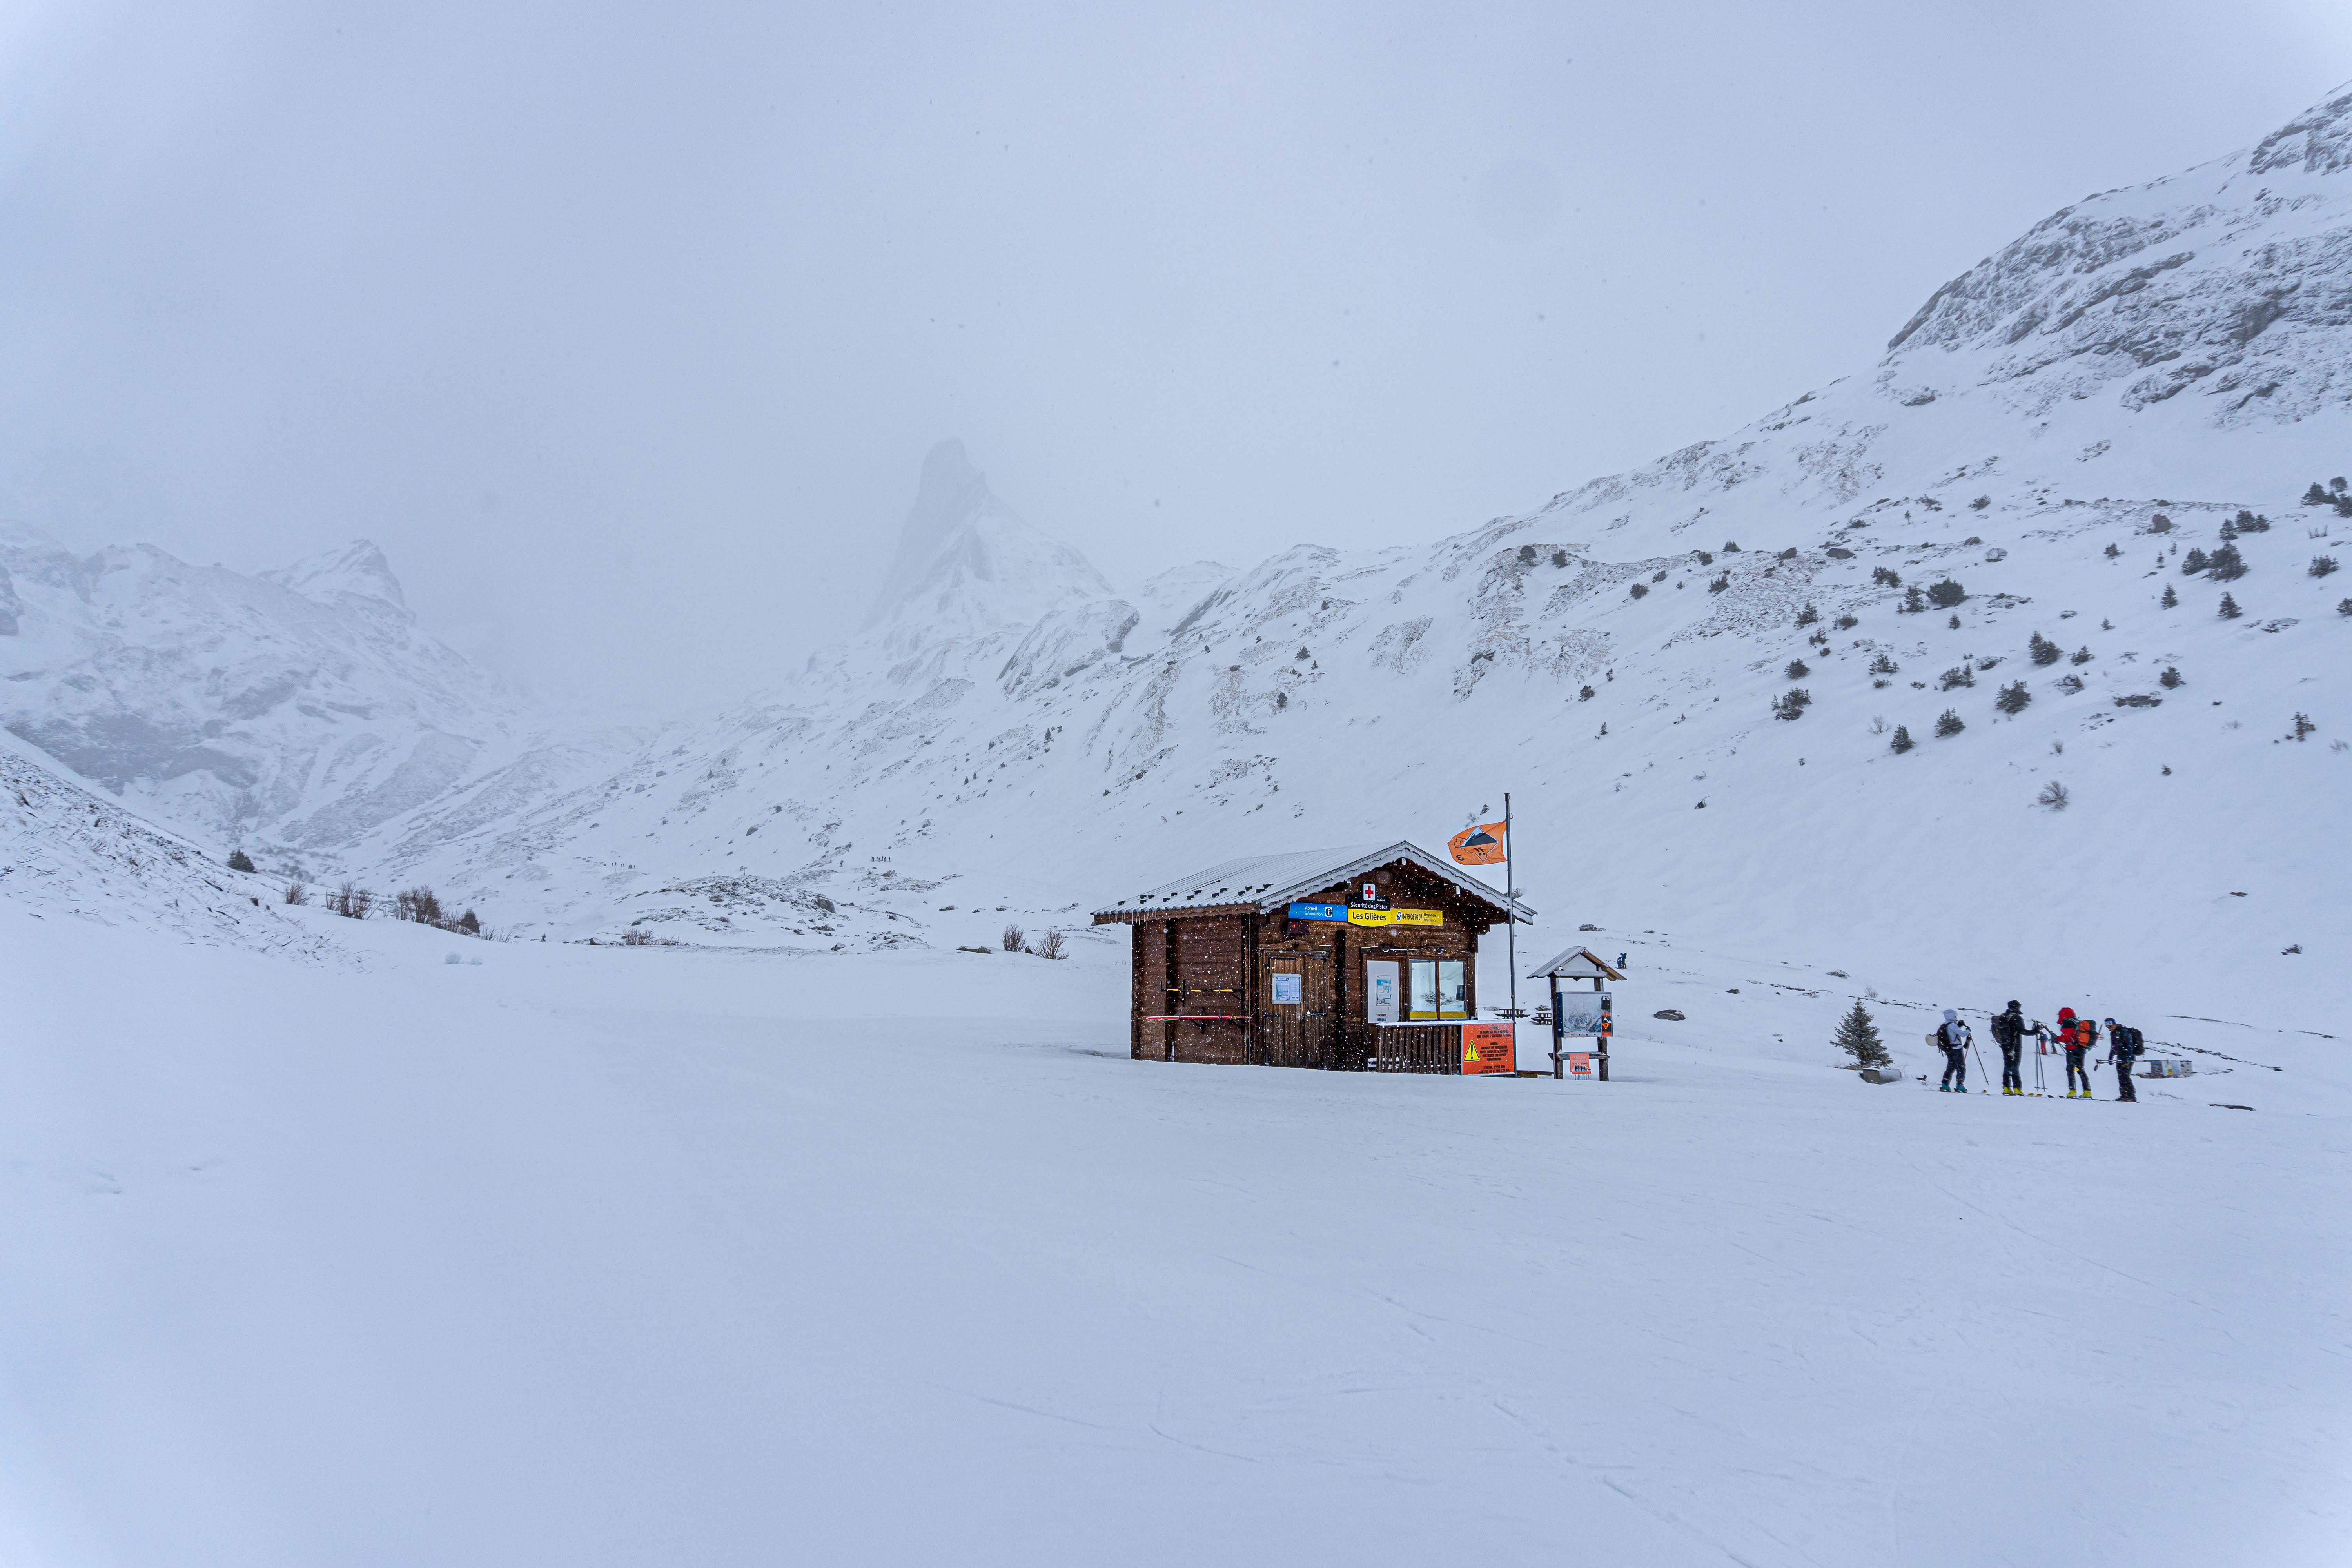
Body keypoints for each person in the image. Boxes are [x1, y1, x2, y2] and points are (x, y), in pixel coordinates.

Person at [2057, 1007, 2095, 1097]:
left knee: (2070, 1069)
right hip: (2082, 1049)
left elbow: (2066, 1037)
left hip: (2072, 1049)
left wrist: (2057, 1039)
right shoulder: (2078, 1022)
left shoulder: (2068, 1022)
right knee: (2080, 1069)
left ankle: (2073, 1091)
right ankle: (2087, 1091)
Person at [1990, 1001, 2026, 1094]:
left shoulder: (2004, 1016)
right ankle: (2017, 1088)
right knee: (2015, 1066)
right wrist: (2036, 1031)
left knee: (2007, 1065)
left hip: (2004, 1044)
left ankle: (2006, 1087)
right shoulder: (2016, 1017)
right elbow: (2023, 1031)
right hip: (2015, 1045)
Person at [2105, 1017, 2142, 1102]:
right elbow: (2113, 1046)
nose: (2109, 1028)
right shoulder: (2113, 1033)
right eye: (2107, 1027)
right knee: (2121, 1077)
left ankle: (2131, 1096)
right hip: (2120, 1057)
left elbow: (2130, 1045)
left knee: (2125, 1077)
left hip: (2128, 1058)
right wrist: (2111, 1057)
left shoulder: (2123, 1031)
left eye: (2110, 1026)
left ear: (2114, 1024)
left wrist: (2128, 1058)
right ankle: (2124, 1095)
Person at [1935, 1008, 1971, 1092]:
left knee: (1951, 1067)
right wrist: (1968, 1031)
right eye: (1955, 1016)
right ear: (1951, 1016)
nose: (1956, 1018)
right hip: (1957, 1049)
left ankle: (1945, 1084)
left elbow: (1952, 1033)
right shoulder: (1953, 1025)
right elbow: (1962, 1034)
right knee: (1961, 1067)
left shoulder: (1946, 1025)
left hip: (1949, 1049)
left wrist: (1959, 1026)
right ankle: (1960, 1085)